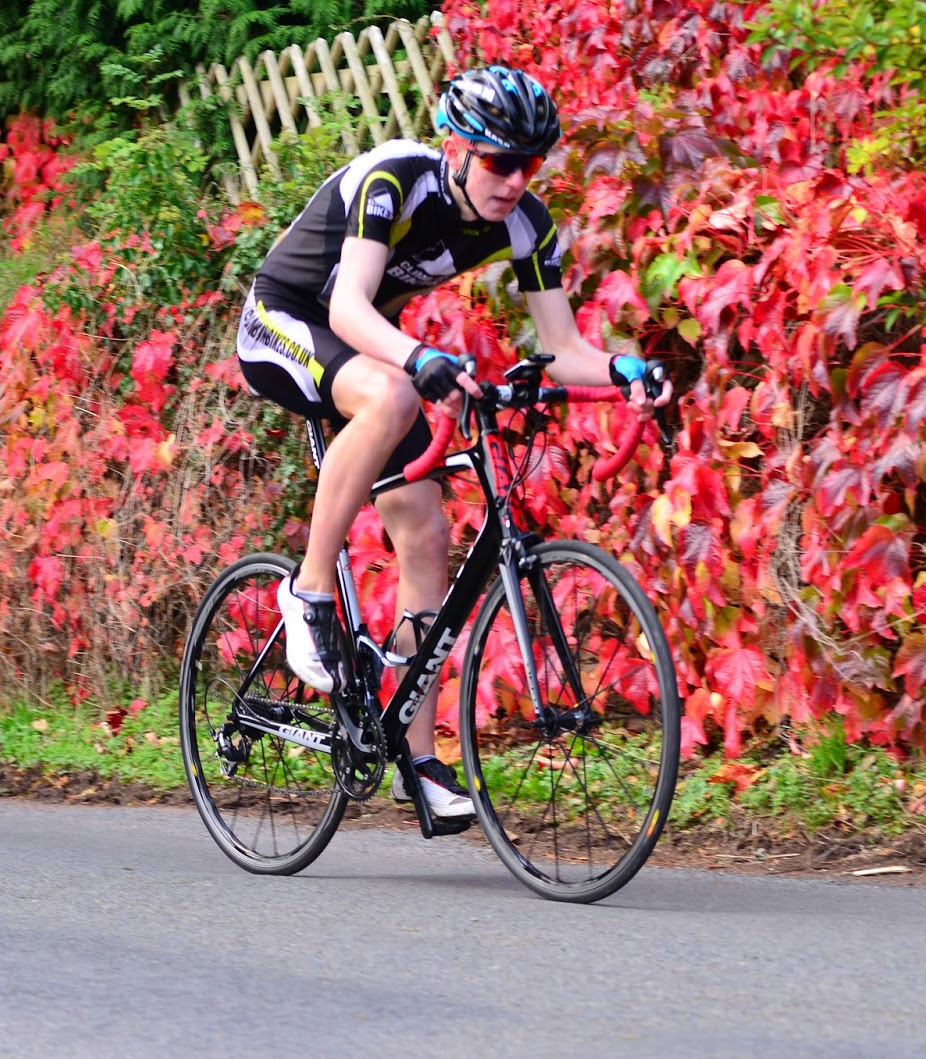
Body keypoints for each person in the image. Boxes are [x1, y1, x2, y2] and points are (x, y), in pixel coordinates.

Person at [234, 65, 670, 819]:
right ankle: (307, 592)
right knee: (393, 392)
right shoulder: (394, 180)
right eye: (500, 161)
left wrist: (624, 367)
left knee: (427, 534)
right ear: (456, 148)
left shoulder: (525, 221)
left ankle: (417, 757)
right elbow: (346, 307)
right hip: (284, 321)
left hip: (371, 350)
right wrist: (419, 358)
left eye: (530, 164)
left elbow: (563, 348)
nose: (516, 180)